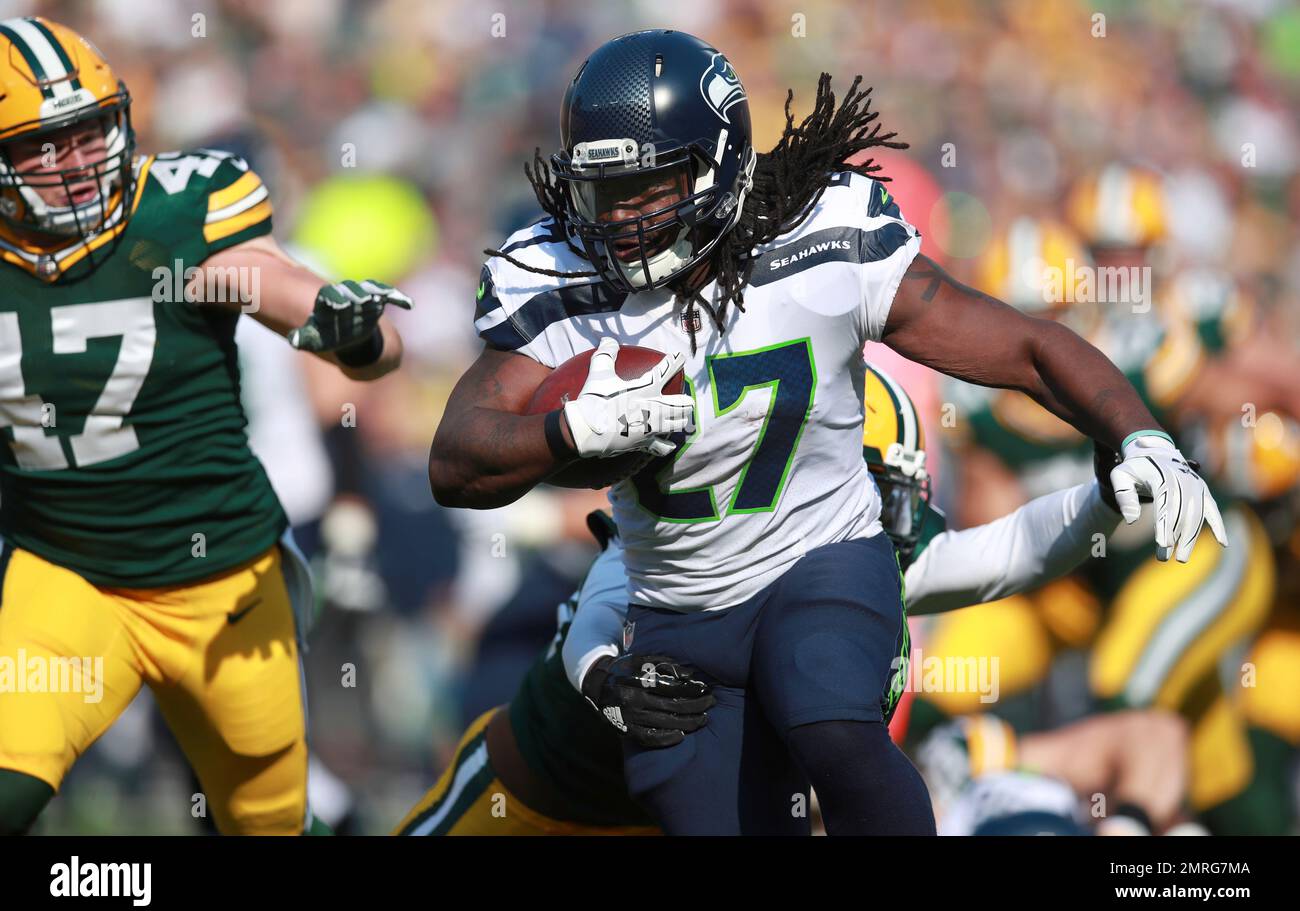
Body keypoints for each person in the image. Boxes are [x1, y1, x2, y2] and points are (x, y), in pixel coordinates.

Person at [427, 29, 1224, 835]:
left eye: (652, 188)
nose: (625, 221)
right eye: (608, 192)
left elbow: (1021, 349)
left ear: (719, 167)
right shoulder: (561, 275)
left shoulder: (823, 235)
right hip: (679, 611)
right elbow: (456, 464)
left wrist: (1138, 437)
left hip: (822, 564)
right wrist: (567, 433)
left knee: (830, 719)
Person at [399, 364, 1120, 835]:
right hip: (544, 799)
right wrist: (599, 675)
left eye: (884, 497)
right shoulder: (707, 547)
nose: (878, 519)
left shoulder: (868, 559)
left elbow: (1000, 555)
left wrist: (1102, 503)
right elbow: (611, 593)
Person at [0, 16, 410, 834]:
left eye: (87, 134)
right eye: (44, 146)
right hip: (69, 574)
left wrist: (344, 329)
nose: (77, 163)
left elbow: (263, 280)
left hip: (222, 577)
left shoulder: (178, 214)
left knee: (271, 824)